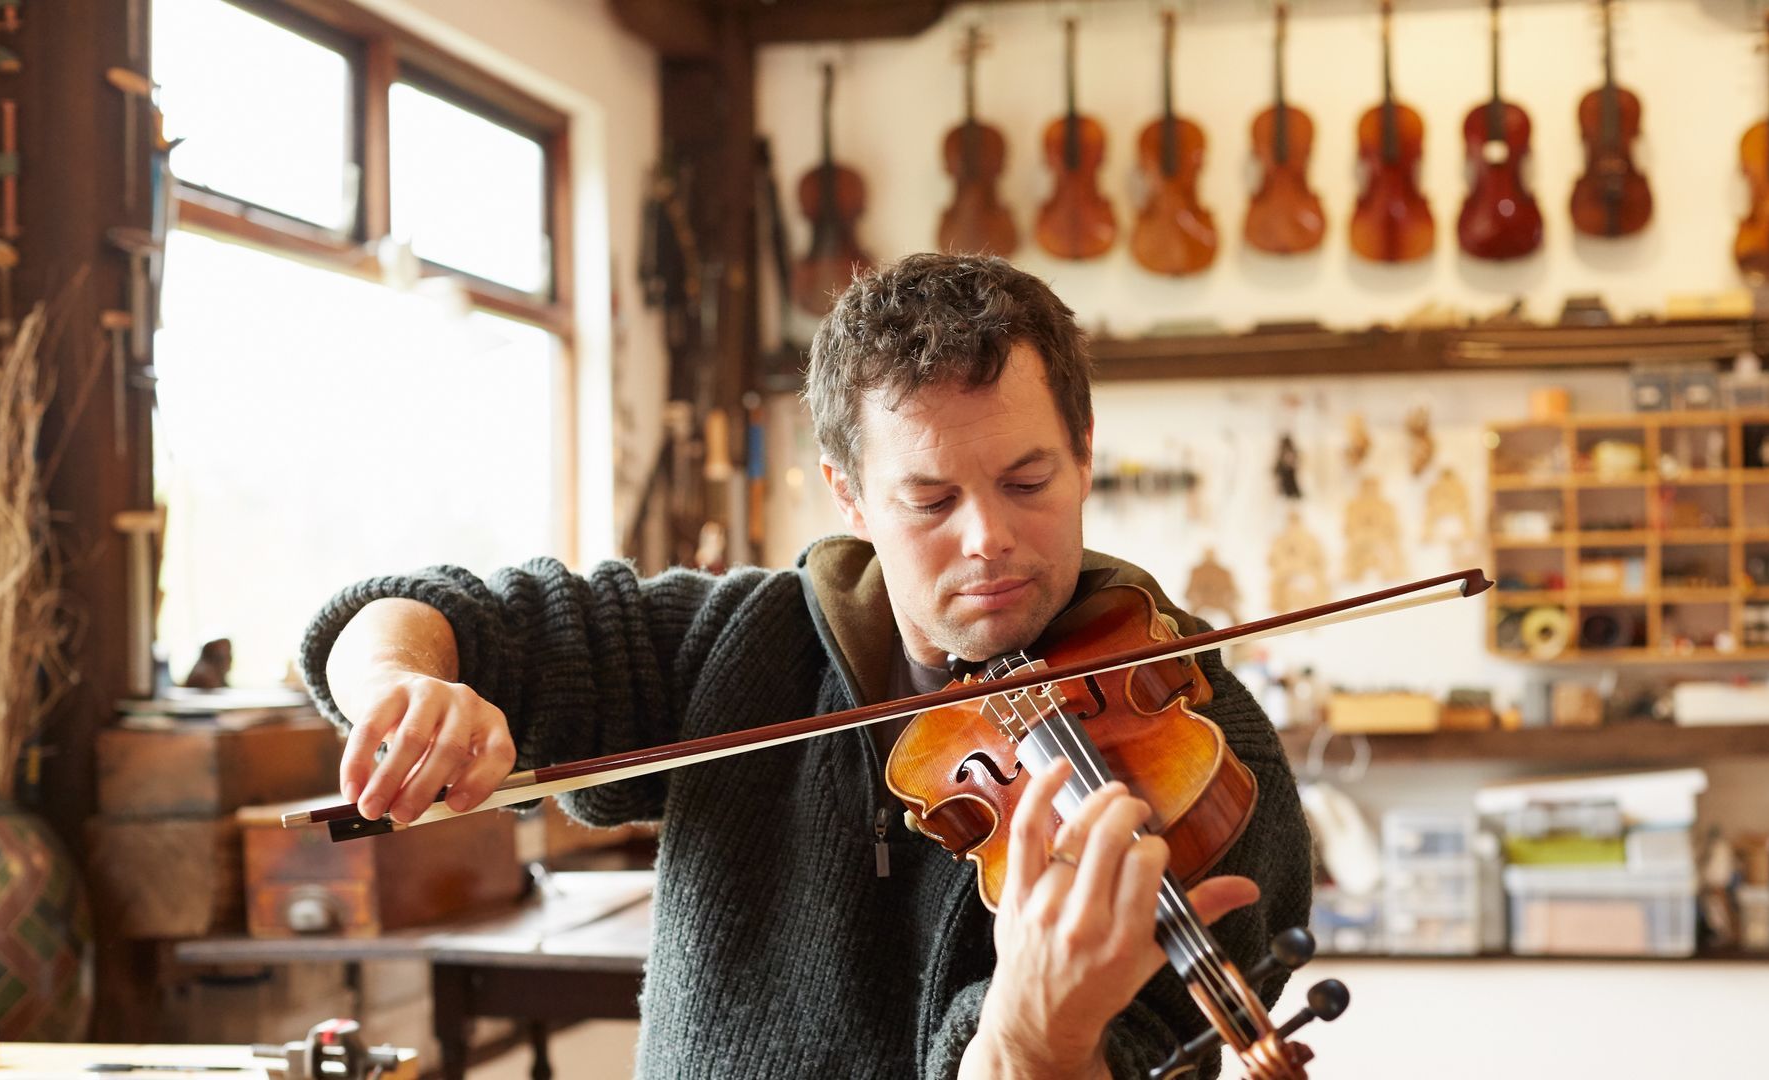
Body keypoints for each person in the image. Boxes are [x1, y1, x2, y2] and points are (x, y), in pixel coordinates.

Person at [299, 253, 1312, 1079]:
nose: (987, 538)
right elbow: (420, 613)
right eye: (928, 500)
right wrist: (403, 687)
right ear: (850, 496)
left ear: (1084, 453)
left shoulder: (1202, 759)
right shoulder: (737, 644)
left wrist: (1032, 1040)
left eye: (1027, 479)